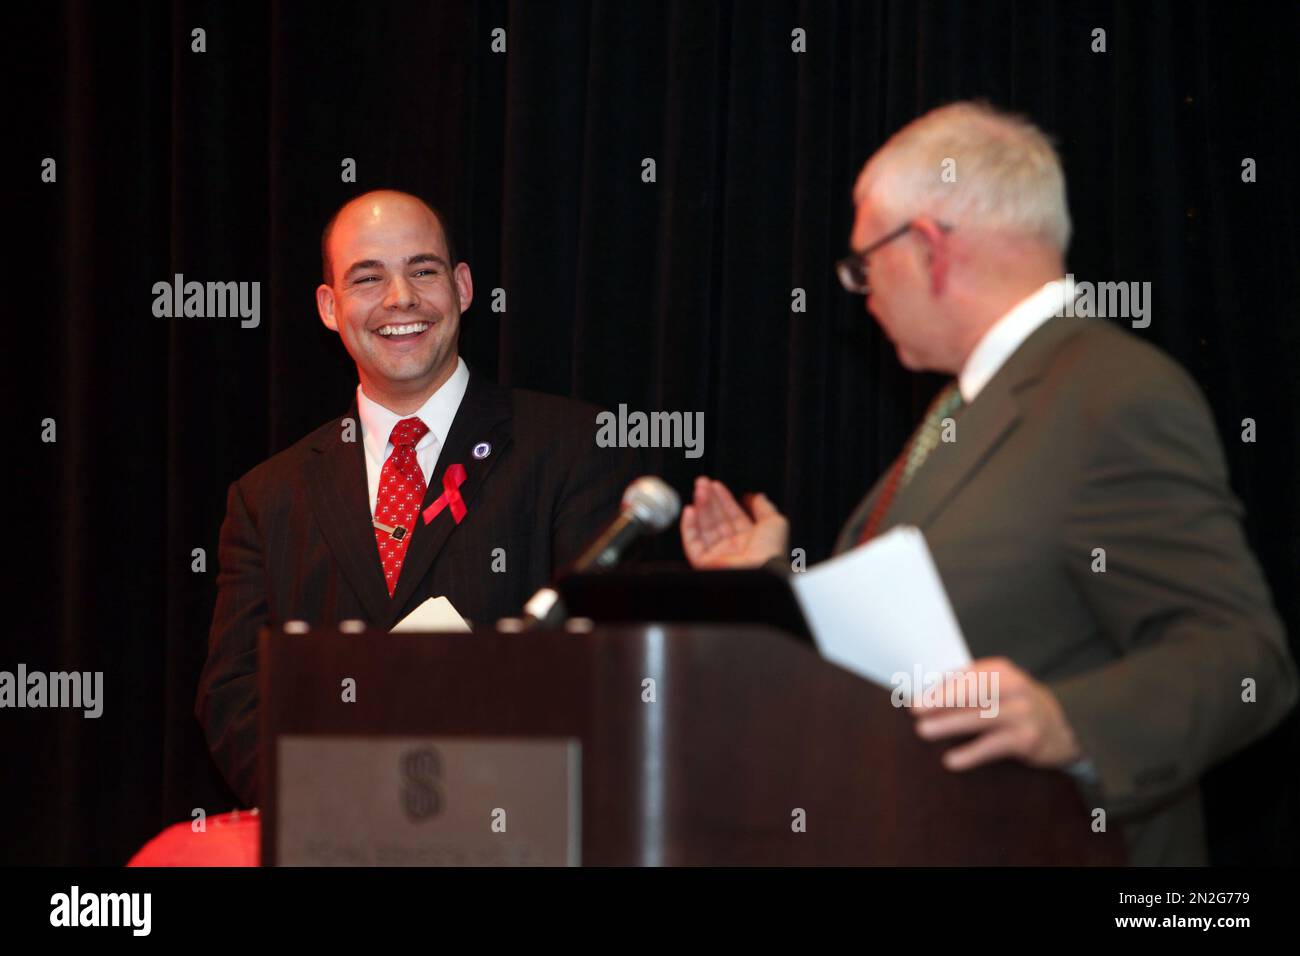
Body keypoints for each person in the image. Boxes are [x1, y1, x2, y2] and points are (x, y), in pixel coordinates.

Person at [679, 102, 1297, 865]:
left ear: (931, 249)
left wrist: (1066, 721)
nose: (864, 296)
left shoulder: (1109, 393)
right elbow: (921, 630)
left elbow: (1246, 658)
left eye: (863, 266)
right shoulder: (967, 403)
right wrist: (767, 584)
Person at [197, 190, 636, 807]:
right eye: (368, 277)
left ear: (462, 287)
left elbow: (601, 660)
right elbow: (236, 694)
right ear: (330, 307)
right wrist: (333, 805)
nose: (400, 298)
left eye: (423, 270)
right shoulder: (267, 497)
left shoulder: (573, 447)